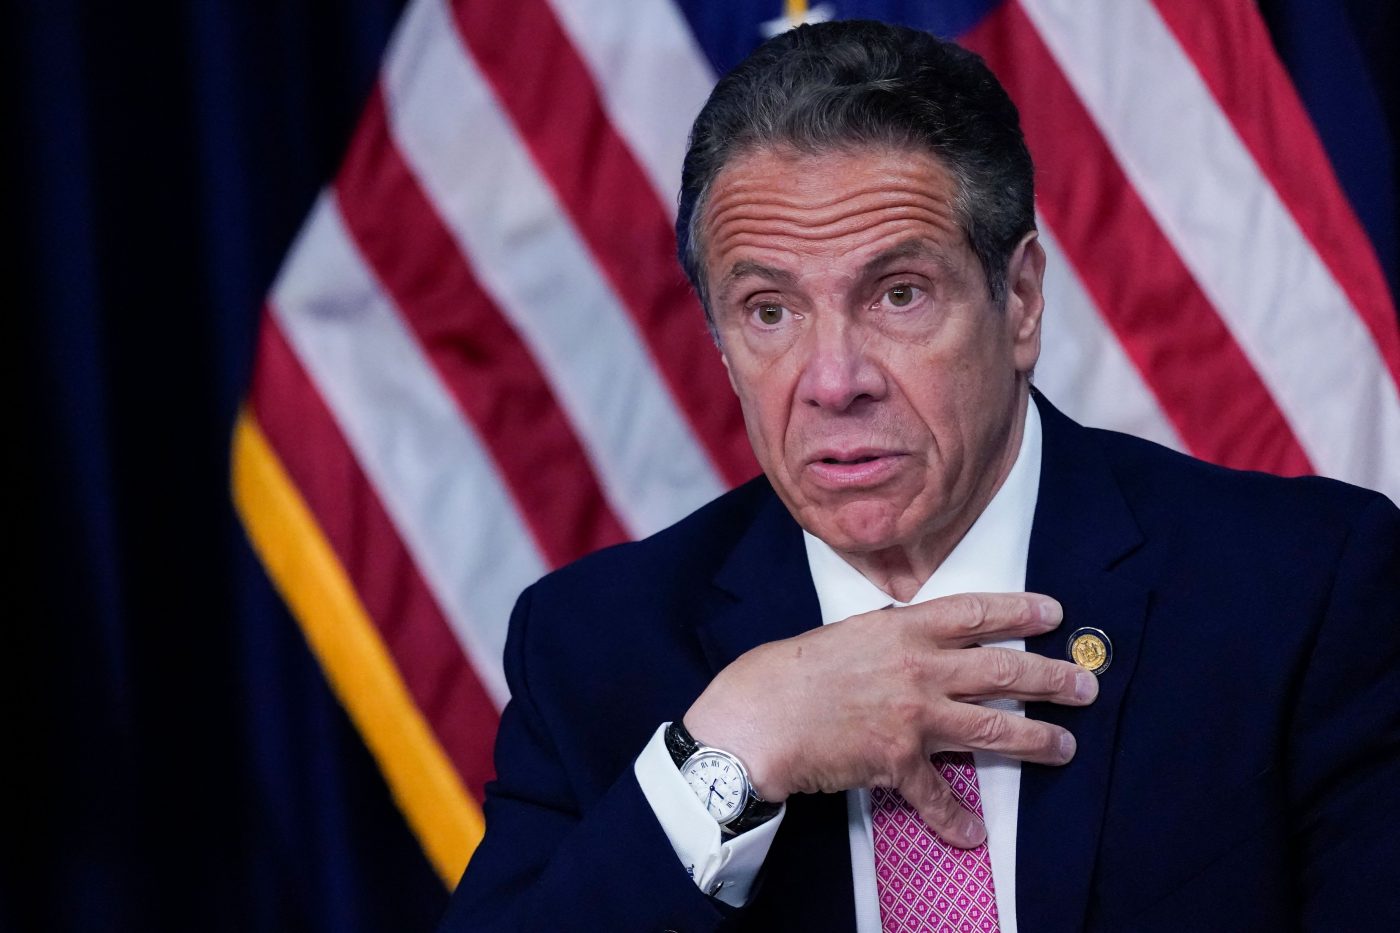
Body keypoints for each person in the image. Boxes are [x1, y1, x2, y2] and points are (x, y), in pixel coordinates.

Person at [439, 20, 1400, 932]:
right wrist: (734, 751)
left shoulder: (1299, 592)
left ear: (1020, 299)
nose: (833, 381)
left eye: (898, 294)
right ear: (722, 344)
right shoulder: (590, 648)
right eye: (769, 311)